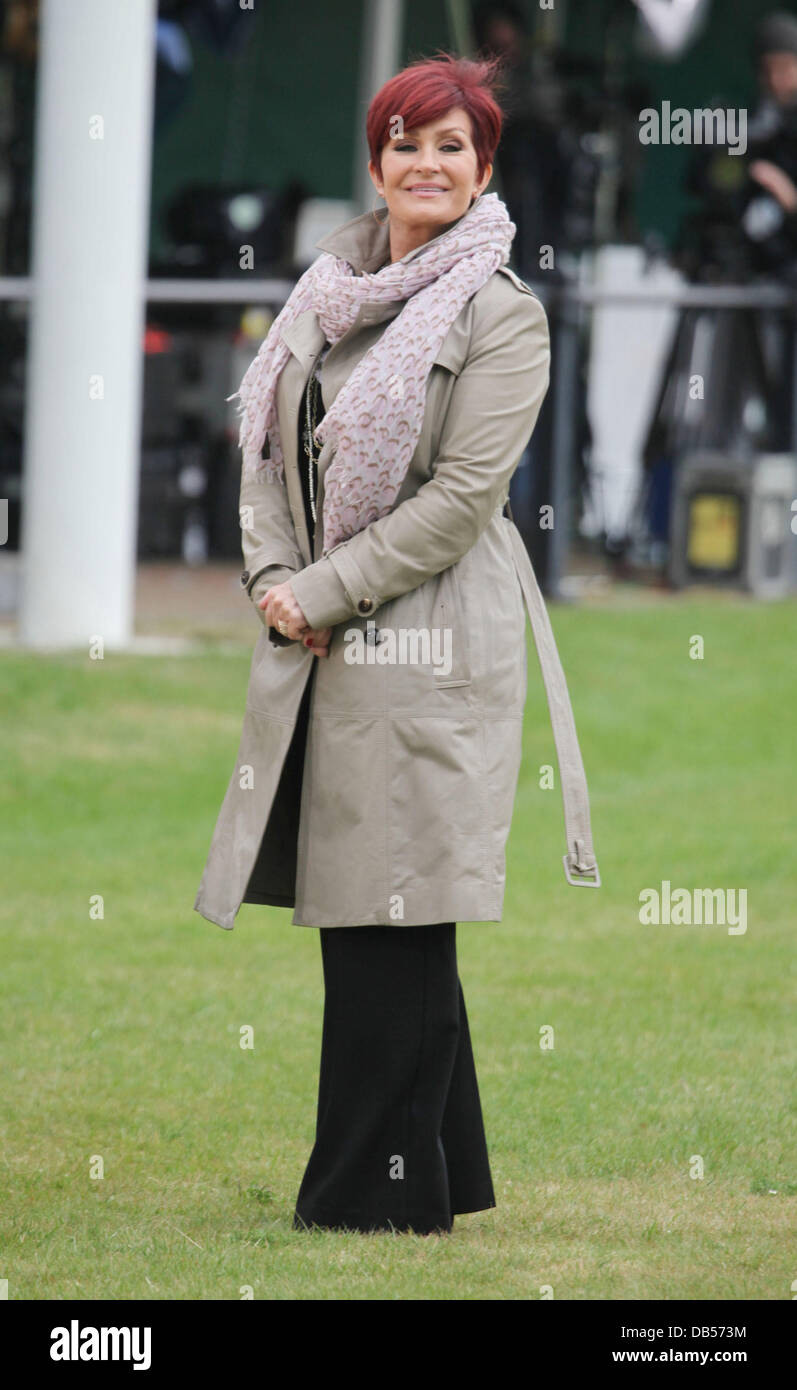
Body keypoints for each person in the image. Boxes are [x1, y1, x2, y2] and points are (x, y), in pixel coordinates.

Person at [194, 51, 598, 1235]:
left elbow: (461, 498)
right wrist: (274, 576)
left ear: (483, 170)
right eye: (405, 143)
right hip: (321, 629)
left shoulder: (499, 312)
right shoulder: (324, 296)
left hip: (427, 636)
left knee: (394, 906)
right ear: (376, 160)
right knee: (372, 899)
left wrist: (319, 592)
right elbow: (267, 454)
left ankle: (369, 1200)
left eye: (450, 147)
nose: (426, 164)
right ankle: (436, 1173)